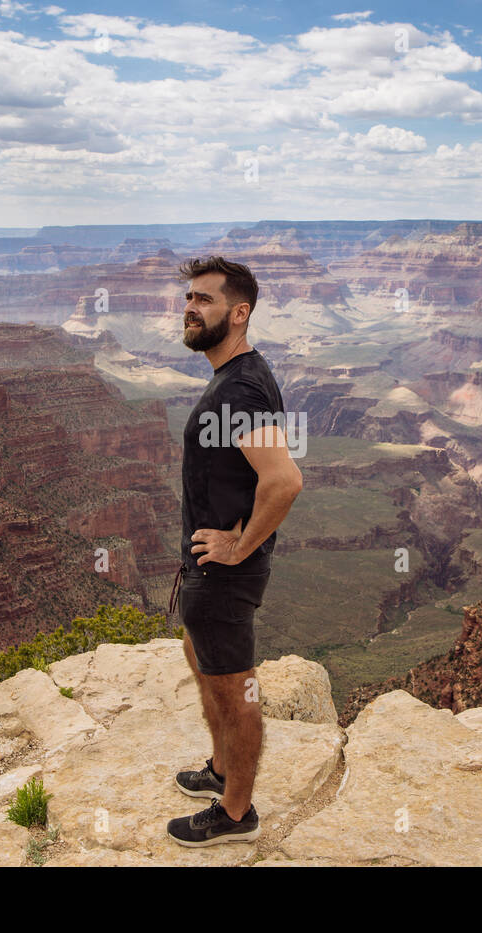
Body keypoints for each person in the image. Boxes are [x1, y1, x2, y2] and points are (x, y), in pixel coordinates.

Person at [165, 255, 303, 847]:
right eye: (189, 298)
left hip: (224, 576)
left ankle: (236, 814)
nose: (191, 309)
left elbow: (284, 481)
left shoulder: (239, 389)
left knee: (236, 690)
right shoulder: (236, 373)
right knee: (207, 669)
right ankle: (220, 771)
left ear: (239, 313)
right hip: (206, 570)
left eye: (206, 300)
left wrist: (238, 547)